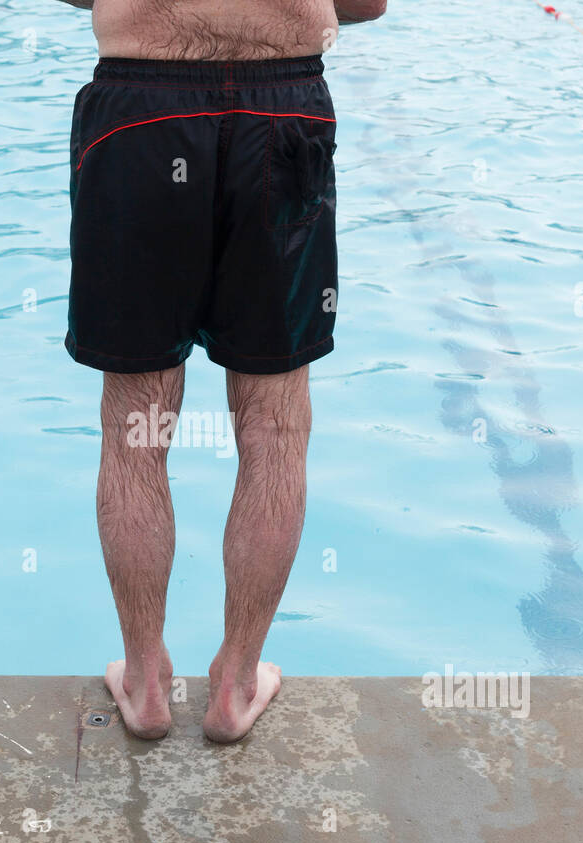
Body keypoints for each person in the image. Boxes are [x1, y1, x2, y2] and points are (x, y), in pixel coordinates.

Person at [57, 0, 388, 742]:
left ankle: (144, 685)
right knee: (274, 425)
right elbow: (365, 4)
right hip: (282, 110)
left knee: (134, 426)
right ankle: (236, 686)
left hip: (140, 110)